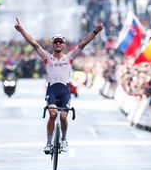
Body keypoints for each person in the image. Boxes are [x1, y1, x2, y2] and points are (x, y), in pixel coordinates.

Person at [14, 18, 103, 154]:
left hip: (65, 91)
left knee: (63, 117)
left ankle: (64, 139)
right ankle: (49, 143)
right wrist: (21, 31)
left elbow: (83, 43)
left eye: (60, 42)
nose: (58, 43)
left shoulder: (69, 57)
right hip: (52, 90)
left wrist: (96, 31)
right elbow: (35, 45)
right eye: (55, 42)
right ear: (52, 44)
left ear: (64, 45)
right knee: (52, 114)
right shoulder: (47, 57)